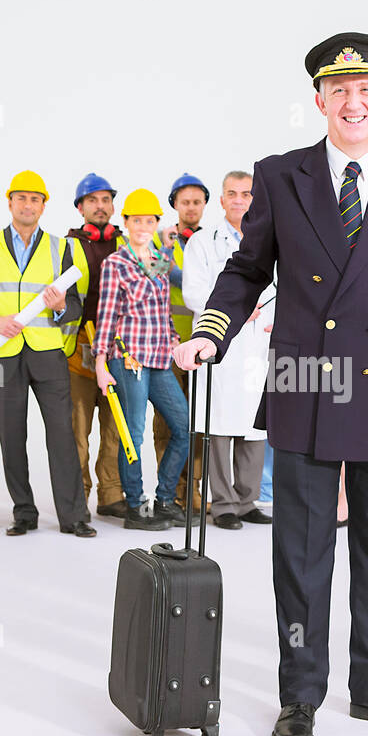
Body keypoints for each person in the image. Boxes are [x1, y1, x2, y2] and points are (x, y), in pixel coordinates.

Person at [175, 32, 368, 736]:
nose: (353, 102)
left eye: (367, 90)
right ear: (320, 100)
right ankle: (299, 696)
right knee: (299, 554)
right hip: (305, 386)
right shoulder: (279, 176)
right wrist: (213, 331)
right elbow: (245, 271)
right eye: (340, 91)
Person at [0, 170, 95, 538]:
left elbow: (76, 308)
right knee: (11, 432)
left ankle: (74, 516)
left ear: (44, 205)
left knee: (61, 435)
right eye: (21, 198)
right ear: (10, 202)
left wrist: (61, 306)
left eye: (35, 199)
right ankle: (24, 513)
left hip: (48, 353)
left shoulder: (61, 246)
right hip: (3, 354)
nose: (28, 204)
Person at [180, 171, 274, 530]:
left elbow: (283, 287)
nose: (239, 200)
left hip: (258, 342)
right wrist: (234, 310)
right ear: (221, 200)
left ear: (255, 200)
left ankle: (248, 499)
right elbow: (193, 293)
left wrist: (273, 317)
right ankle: (222, 504)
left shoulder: (269, 240)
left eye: (246, 194)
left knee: (254, 424)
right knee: (218, 424)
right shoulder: (203, 242)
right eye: (231, 194)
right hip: (218, 342)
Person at [93, 189, 188, 532]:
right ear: (126, 223)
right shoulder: (116, 264)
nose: (143, 226)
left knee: (183, 427)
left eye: (150, 220)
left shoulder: (162, 260)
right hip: (128, 358)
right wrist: (101, 364)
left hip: (160, 358)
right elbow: (106, 316)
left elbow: (164, 308)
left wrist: (174, 339)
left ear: (157, 223)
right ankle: (136, 506)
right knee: (132, 434)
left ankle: (163, 499)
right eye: (137, 220)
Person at [64, 173, 125, 519]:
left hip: (119, 346)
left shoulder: (128, 244)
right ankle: (78, 496)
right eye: (92, 201)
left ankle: (111, 494)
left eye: (105, 200)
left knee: (115, 424)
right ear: (80, 207)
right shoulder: (66, 246)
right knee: (79, 426)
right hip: (79, 345)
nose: (100, 207)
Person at [154, 172, 210, 515]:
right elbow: (159, 272)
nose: (190, 207)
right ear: (174, 204)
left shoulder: (212, 241)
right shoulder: (163, 241)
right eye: (184, 201)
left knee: (199, 423)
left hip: (202, 344)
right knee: (169, 423)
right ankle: (168, 493)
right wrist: (165, 249)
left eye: (197, 202)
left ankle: (193, 492)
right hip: (168, 344)